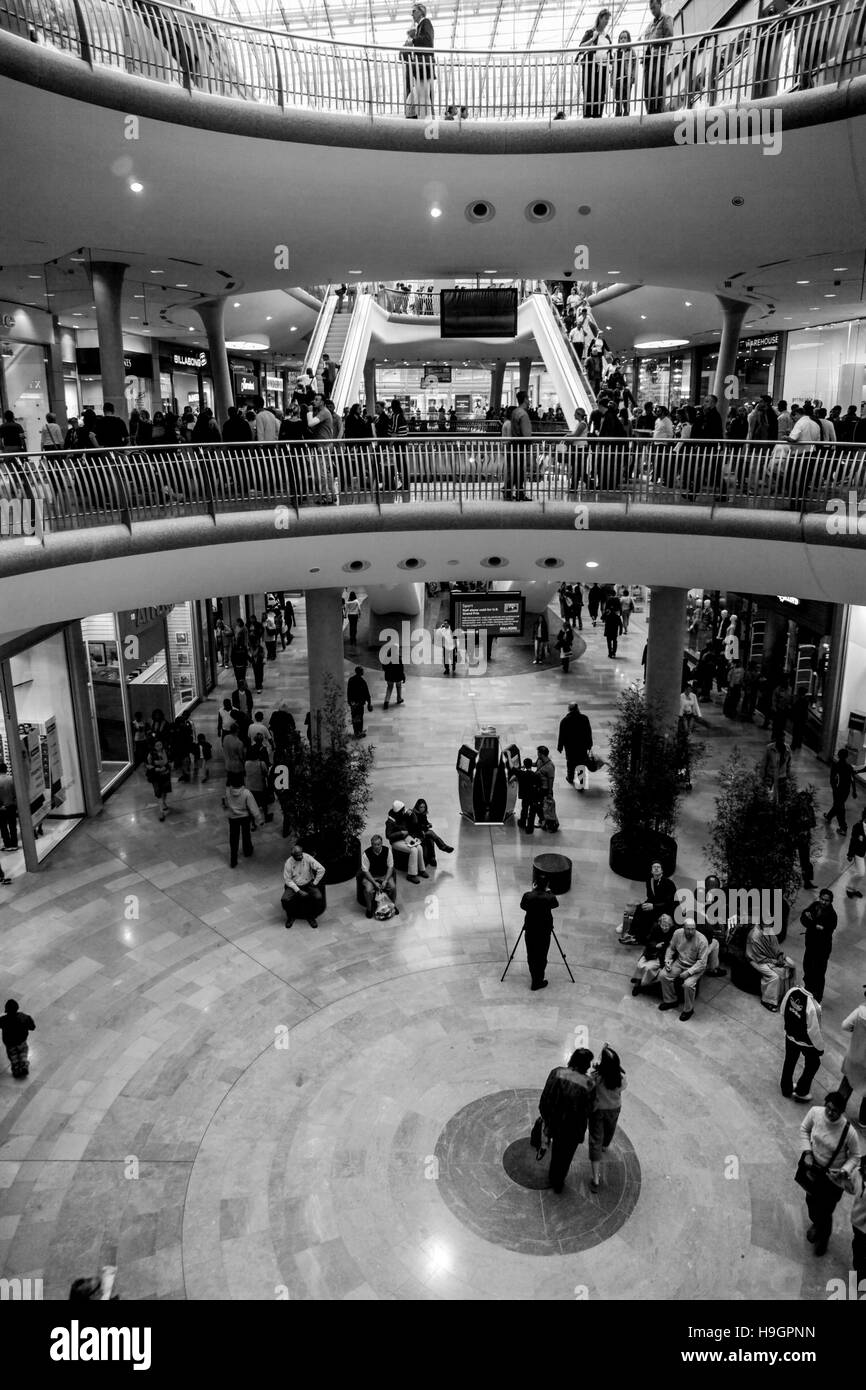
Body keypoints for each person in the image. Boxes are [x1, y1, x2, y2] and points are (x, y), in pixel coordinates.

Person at [797, 1093, 861, 1257]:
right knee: (811, 1200)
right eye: (829, 1108)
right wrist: (808, 1152)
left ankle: (823, 1238)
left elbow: (855, 1156)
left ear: (842, 1112)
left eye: (835, 1111)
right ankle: (816, 1223)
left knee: (825, 1211)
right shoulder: (815, 1112)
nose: (830, 1113)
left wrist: (844, 1170)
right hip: (813, 1170)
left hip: (832, 1178)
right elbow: (804, 1129)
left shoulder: (848, 1131)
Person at [538, 1048, 596, 1193]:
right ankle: (557, 1180)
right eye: (588, 1063)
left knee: (557, 1150)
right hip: (573, 1130)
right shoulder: (589, 1084)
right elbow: (590, 1109)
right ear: (585, 1064)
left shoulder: (557, 1073)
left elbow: (545, 1099)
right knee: (565, 1157)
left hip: (555, 1123)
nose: (589, 1066)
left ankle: (552, 1172)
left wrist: (547, 1118)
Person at [588, 1045, 626, 1191]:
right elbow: (623, 1088)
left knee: (595, 1139)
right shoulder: (621, 1078)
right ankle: (605, 1146)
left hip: (598, 1110)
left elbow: (590, 1086)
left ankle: (596, 1178)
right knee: (610, 1129)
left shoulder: (596, 1077)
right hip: (614, 1108)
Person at [780, 982, 824, 1103]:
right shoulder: (814, 1006)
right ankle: (801, 1091)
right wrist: (820, 1048)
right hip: (806, 1043)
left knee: (789, 1060)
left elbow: (783, 1010)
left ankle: (786, 1089)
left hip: (790, 1036)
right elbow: (814, 1031)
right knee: (813, 1064)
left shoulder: (792, 991)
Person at [658, 917, 708, 1021]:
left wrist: (689, 972)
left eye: (693, 929)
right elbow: (671, 948)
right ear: (683, 928)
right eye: (688, 929)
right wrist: (667, 960)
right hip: (680, 962)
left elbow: (702, 963)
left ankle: (688, 1010)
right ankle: (671, 1001)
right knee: (663, 975)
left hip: (695, 967)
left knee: (688, 984)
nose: (691, 931)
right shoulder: (677, 933)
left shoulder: (702, 940)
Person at [520, 872, 559, 991]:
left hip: (531, 930)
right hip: (544, 931)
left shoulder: (528, 896)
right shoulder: (550, 897)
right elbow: (555, 904)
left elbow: (523, 906)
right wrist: (548, 891)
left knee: (531, 955)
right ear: (547, 885)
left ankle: (534, 978)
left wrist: (533, 891)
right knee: (542, 956)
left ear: (535, 883)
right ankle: (539, 980)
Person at [623, 860, 677, 945]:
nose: (656, 868)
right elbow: (650, 897)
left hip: (665, 908)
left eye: (658, 867)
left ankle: (639, 939)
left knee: (647, 915)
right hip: (653, 905)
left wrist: (654, 906)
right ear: (651, 871)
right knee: (639, 908)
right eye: (654, 867)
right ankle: (631, 933)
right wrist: (646, 904)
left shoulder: (669, 883)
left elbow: (669, 902)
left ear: (662, 870)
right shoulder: (649, 881)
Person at [746, 921, 796, 1011]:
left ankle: (786, 994)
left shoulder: (768, 928)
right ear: (761, 923)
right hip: (756, 960)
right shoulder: (754, 935)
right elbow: (758, 957)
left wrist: (780, 955)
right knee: (774, 976)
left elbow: (775, 945)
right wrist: (775, 962)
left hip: (771, 958)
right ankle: (767, 1001)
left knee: (791, 965)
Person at [800, 889, 837, 1003]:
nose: (823, 902)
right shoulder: (815, 905)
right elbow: (804, 918)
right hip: (810, 945)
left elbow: (824, 930)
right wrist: (814, 924)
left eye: (827, 900)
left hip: (822, 949)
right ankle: (808, 989)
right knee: (807, 967)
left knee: (819, 973)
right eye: (822, 899)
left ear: (831, 901)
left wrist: (812, 922)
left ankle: (817, 997)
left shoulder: (832, 915)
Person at [839, 985, 866, 1126]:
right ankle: (863, 1119)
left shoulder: (860, 1012)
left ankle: (837, 1109)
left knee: (847, 1083)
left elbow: (844, 1025)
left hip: (854, 1056)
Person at [224, 770, 263, 867]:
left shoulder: (228, 791)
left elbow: (225, 803)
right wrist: (259, 819)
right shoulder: (246, 793)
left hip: (232, 817)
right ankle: (247, 851)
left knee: (233, 837)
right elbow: (253, 807)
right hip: (244, 817)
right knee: (246, 835)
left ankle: (233, 859)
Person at [577, 10, 612, 120]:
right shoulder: (590, 32)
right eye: (605, 18)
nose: (607, 21)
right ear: (600, 18)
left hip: (603, 68)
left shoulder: (607, 37)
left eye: (608, 19)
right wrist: (592, 39)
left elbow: (609, 52)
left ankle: (598, 116)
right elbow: (581, 47)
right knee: (589, 91)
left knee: (601, 93)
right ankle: (587, 116)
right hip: (590, 67)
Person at [281, 844, 326, 928]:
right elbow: (287, 880)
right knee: (285, 899)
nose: (301, 856)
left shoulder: (307, 857)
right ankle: (291, 916)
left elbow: (321, 869)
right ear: (292, 856)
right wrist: (298, 890)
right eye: (298, 856)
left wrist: (315, 882)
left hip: (308, 883)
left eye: (301, 854)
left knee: (318, 897)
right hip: (294, 885)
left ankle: (311, 916)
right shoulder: (288, 863)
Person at [641, 0, 673, 115]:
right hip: (649, 59)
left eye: (654, 7)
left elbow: (669, 38)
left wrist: (664, 54)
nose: (652, 10)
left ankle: (658, 111)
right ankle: (650, 111)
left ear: (660, 5)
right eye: (651, 8)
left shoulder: (666, 19)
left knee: (658, 85)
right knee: (648, 87)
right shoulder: (650, 25)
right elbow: (646, 42)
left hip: (659, 57)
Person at [631, 911, 675, 994]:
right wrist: (655, 945)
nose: (665, 928)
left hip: (661, 956)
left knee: (648, 968)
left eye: (667, 926)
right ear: (660, 924)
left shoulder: (673, 932)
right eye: (663, 925)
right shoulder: (655, 928)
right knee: (640, 965)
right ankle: (637, 981)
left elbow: (671, 948)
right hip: (651, 952)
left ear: (670, 925)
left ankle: (640, 983)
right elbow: (647, 940)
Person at [406, 4, 436, 121]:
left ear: (421, 12)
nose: (412, 14)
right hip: (420, 68)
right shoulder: (421, 26)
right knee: (413, 97)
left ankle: (426, 124)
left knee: (423, 97)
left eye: (414, 11)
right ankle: (412, 117)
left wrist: (413, 40)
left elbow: (428, 41)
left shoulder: (426, 23)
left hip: (423, 67)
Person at [357, 834, 398, 918]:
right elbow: (366, 871)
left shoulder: (387, 851)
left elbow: (390, 867)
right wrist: (374, 883)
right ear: (371, 844)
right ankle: (369, 909)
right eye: (374, 844)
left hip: (384, 875)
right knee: (368, 890)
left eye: (378, 844)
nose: (376, 846)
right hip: (371, 876)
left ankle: (392, 905)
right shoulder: (366, 854)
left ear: (381, 843)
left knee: (393, 887)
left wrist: (386, 880)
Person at [385, 800, 425, 882]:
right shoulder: (390, 821)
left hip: (405, 837)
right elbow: (388, 836)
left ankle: (421, 869)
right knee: (413, 850)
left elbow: (415, 823)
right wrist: (400, 833)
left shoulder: (404, 814)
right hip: (396, 841)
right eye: (403, 809)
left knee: (419, 847)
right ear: (398, 812)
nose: (405, 810)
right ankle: (411, 874)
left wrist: (412, 814)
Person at [407, 799, 454, 868]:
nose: (422, 809)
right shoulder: (413, 814)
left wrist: (428, 824)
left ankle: (432, 858)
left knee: (430, 838)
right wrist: (426, 826)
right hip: (415, 834)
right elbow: (416, 826)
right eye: (421, 807)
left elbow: (425, 823)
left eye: (424, 807)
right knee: (431, 833)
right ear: (417, 806)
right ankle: (443, 847)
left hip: (422, 832)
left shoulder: (423, 814)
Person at [825, 748, 861, 836]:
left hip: (838, 789)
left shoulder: (836, 765)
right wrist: (854, 791)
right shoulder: (849, 767)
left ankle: (843, 827)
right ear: (847, 756)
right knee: (838, 805)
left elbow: (832, 779)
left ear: (838, 755)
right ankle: (829, 816)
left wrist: (834, 789)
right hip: (846, 790)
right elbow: (852, 779)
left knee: (839, 808)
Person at [557, 702, 593, 788]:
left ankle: (570, 778)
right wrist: (589, 744)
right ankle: (581, 783)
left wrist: (560, 747)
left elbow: (561, 735)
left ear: (569, 709)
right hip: (582, 746)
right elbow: (588, 732)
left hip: (570, 747)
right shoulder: (584, 718)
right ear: (577, 709)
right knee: (581, 763)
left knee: (570, 762)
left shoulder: (565, 720)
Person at [0, 998, 35, 1078]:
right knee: (23, 1052)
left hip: (10, 1043)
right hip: (21, 1040)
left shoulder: (3, 1020)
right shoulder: (24, 1017)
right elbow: (32, 1027)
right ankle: (24, 1065)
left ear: (6, 1010)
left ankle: (16, 1068)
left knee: (13, 1056)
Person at [145, 738, 172, 821]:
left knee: (165, 791)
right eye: (157, 745)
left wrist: (165, 767)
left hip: (165, 775)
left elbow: (170, 762)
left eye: (160, 744)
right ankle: (161, 812)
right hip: (156, 777)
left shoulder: (166, 751)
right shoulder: (151, 755)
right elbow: (147, 765)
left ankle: (163, 803)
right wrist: (155, 769)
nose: (159, 746)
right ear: (154, 746)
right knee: (159, 793)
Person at [761, 734, 792, 804]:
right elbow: (764, 763)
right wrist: (763, 777)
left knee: (781, 799)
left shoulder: (787, 749)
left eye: (783, 740)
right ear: (776, 740)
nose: (782, 742)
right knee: (769, 799)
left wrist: (788, 777)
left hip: (782, 778)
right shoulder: (769, 748)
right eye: (780, 740)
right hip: (771, 777)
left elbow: (789, 764)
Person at [612, 30, 636, 115]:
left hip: (626, 79)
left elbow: (634, 64)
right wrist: (612, 81)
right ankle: (618, 118)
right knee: (618, 101)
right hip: (617, 79)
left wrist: (633, 76)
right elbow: (614, 67)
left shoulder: (631, 51)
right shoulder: (616, 52)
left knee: (626, 100)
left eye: (625, 38)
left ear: (628, 39)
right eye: (621, 38)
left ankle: (626, 116)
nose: (623, 39)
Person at [516, 757, 542, 833]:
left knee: (524, 809)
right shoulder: (536, 775)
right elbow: (539, 785)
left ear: (524, 765)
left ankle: (522, 823)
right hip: (533, 796)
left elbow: (512, 768)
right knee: (532, 813)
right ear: (531, 765)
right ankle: (530, 828)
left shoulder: (522, 773)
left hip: (525, 796)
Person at [845, 808, 866, 899]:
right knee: (861, 873)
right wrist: (850, 854)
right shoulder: (858, 826)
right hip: (859, 853)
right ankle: (849, 888)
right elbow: (853, 841)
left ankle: (854, 889)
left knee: (861, 874)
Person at [347, 665, 373, 737]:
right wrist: (369, 703)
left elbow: (348, 692)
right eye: (362, 671)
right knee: (360, 717)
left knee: (354, 716)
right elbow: (366, 693)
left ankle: (356, 732)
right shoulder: (362, 681)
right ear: (361, 672)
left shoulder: (351, 680)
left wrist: (349, 702)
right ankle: (359, 732)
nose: (363, 672)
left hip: (353, 702)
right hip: (360, 702)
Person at [0, 761, 18, 849]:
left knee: (3, 827)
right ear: (6, 769)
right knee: (12, 825)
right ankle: (14, 844)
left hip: (1, 808)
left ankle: (7, 844)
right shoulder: (12, 779)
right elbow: (16, 794)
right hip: (11, 805)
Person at [229, 619, 249, 687]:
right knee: (240, 675)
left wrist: (245, 647)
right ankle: (243, 685)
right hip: (238, 657)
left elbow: (246, 639)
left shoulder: (244, 629)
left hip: (241, 654)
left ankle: (243, 685)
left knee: (241, 675)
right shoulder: (237, 628)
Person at [248, 628, 265, 695]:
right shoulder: (253, 646)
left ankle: (259, 684)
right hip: (256, 661)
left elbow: (262, 653)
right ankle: (258, 686)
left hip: (258, 661)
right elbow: (253, 653)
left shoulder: (258, 646)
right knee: (258, 673)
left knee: (259, 673)